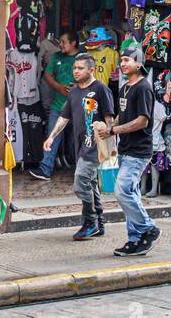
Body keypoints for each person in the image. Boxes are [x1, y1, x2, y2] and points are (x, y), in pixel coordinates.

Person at [42, 52, 116, 240]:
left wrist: (111, 140)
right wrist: (51, 137)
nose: (75, 71)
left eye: (80, 68)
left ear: (91, 70)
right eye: (75, 68)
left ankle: (90, 221)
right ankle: (98, 222)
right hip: (80, 144)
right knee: (90, 183)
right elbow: (64, 117)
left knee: (80, 181)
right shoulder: (73, 91)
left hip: (95, 145)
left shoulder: (100, 89)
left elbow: (109, 118)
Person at [98, 46, 161, 256]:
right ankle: (135, 240)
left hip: (139, 150)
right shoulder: (125, 87)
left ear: (139, 63)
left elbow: (142, 121)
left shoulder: (143, 87)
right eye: (122, 60)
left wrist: (114, 130)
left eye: (127, 60)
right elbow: (122, 115)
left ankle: (148, 228)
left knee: (122, 190)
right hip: (125, 149)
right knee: (131, 193)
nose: (123, 64)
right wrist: (111, 129)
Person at [32, 31, 79, 180]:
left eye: (63, 42)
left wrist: (77, 86)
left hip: (79, 107)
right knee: (51, 135)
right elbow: (47, 74)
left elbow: (92, 76)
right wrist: (58, 87)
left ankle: (83, 171)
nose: (60, 45)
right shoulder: (56, 57)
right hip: (58, 105)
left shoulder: (83, 58)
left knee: (80, 139)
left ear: (73, 43)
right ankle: (45, 169)